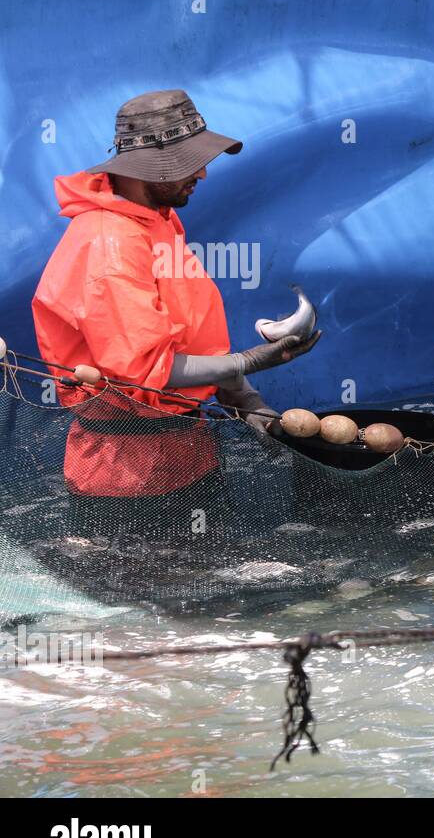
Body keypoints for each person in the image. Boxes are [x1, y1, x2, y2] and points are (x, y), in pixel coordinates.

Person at [30, 89, 320, 528]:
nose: (203, 172)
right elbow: (144, 370)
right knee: (142, 592)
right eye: (189, 162)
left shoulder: (157, 219)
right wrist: (249, 361)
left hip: (188, 455)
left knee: (209, 588)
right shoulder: (111, 243)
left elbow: (186, 336)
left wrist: (247, 401)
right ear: (147, 166)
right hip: (126, 478)